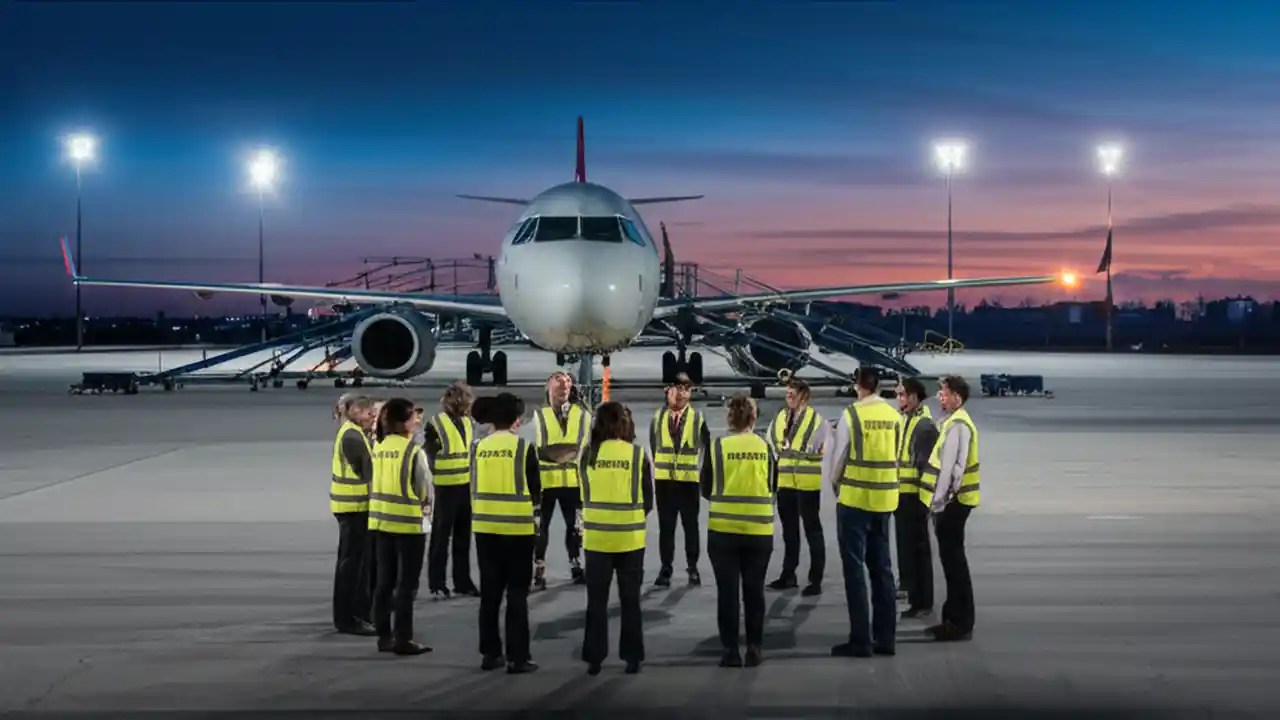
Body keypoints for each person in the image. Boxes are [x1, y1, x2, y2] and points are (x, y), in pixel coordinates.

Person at [825, 366, 903, 658]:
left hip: (855, 500)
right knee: (882, 570)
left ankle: (861, 639)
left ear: (858, 386)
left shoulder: (852, 414)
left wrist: (836, 488)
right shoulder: (895, 415)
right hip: (884, 501)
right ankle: (886, 639)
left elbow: (839, 458)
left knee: (854, 570)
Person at [579, 402, 654, 676]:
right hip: (630, 539)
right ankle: (632, 657)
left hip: (597, 539)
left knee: (596, 602)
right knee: (630, 600)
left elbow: (582, 493)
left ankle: (594, 658)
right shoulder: (637, 455)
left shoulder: (589, 454)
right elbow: (648, 501)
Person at [703, 393, 776, 668]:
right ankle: (755, 647)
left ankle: (731, 650)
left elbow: (706, 487)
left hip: (723, 529)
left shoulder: (717, 447)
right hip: (759, 529)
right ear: (754, 418)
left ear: (729, 418)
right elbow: (773, 484)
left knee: (728, 593)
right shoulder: (765, 447)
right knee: (754, 591)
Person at [472, 393, 541, 674]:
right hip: (517, 528)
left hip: (485, 528)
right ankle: (518, 656)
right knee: (516, 594)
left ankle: (490, 654)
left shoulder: (478, 447)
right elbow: (536, 492)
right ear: (516, 420)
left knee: (489, 596)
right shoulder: (523, 448)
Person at [367, 398, 433, 655]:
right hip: (408, 526)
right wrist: (427, 521)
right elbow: (425, 493)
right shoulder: (413, 451)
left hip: (382, 523)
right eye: (414, 417)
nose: (417, 421)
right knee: (406, 586)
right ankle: (404, 638)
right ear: (402, 422)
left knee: (384, 583)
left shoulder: (379, 448)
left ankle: (384, 635)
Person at [918, 375, 980, 642]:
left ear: (958, 397)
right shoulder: (951, 423)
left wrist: (938, 501)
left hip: (952, 505)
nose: (940, 396)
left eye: (944, 392)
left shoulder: (958, 426)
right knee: (952, 563)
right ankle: (953, 617)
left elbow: (952, 469)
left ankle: (959, 621)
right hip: (953, 503)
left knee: (954, 565)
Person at [765, 378, 828, 596]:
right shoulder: (781, 416)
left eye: (793, 394)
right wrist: (791, 451)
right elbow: (772, 440)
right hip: (785, 482)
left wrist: (792, 451)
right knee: (789, 532)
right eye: (787, 394)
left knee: (812, 530)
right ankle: (788, 574)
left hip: (807, 483)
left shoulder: (816, 419)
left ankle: (816, 579)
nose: (788, 398)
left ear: (804, 396)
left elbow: (816, 447)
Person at [531, 371, 590, 590]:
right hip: (545, 481)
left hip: (573, 482)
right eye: (559, 381)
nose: (564, 385)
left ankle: (575, 563)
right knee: (540, 528)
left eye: (567, 382)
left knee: (575, 527)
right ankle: (539, 568)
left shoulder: (583, 415)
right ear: (548, 386)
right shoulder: (538, 416)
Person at [650, 372, 709, 588]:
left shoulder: (697, 418)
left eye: (686, 389)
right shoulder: (658, 418)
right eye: (677, 388)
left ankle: (692, 567)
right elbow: (654, 445)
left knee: (690, 527)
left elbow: (706, 450)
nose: (681, 393)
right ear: (668, 391)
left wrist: (704, 480)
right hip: (665, 481)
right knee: (666, 528)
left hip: (688, 481)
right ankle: (666, 569)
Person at [424, 381, 480, 599]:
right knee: (440, 538)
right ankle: (437, 582)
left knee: (463, 537)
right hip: (445, 488)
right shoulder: (436, 424)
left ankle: (462, 581)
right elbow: (429, 455)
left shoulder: (467, 423)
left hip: (464, 486)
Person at [331, 394, 379, 636]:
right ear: (352, 411)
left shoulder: (354, 433)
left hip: (354, 507)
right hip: (353, 508)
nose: (371, 415)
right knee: (352, 567)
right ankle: (348, 618)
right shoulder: (352, 436)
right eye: (366, 411)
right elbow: (370, 471)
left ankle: (356, 614)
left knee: (355, 564)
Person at [894, 377, 939, 619]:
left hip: (915, 498)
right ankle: (912, 595)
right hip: (902, 495)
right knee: (907, 549)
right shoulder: (907, 420)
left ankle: (923, 601)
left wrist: (926, 502)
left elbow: (927, 468)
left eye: (902, 395)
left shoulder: (924, 426)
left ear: (913, 397)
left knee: (919, 551)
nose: (899, 399)